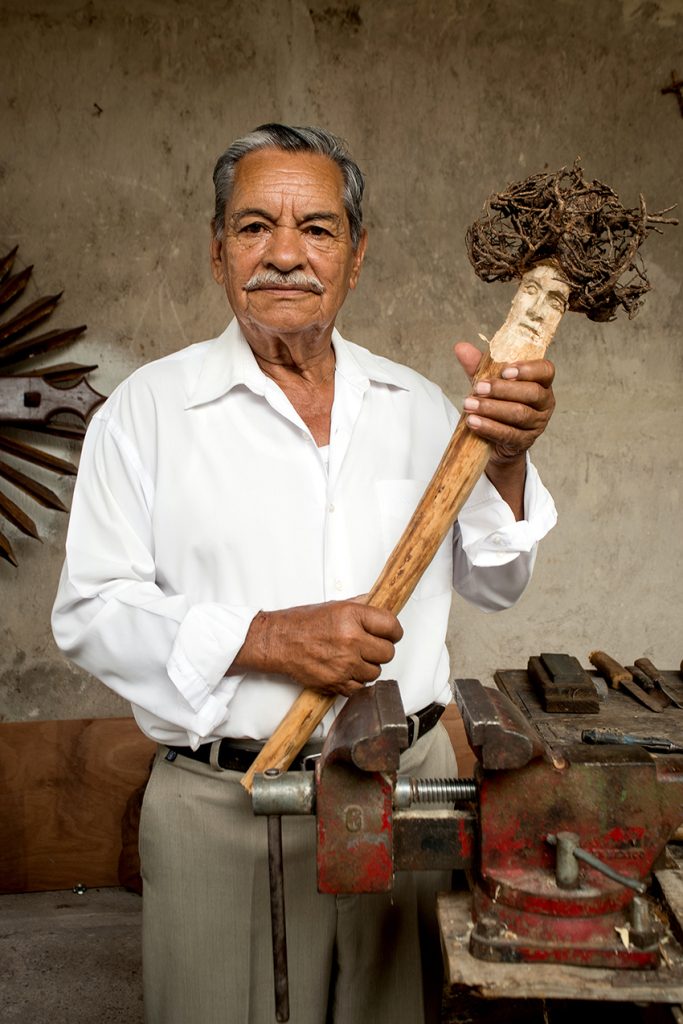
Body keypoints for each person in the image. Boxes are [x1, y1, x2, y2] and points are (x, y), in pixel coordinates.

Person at [52, 124, 558, 1024]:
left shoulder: (419, 406)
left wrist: (508, 460)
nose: (285, 254)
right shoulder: (146, 414)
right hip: (222, 809)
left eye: (317, 229)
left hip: (408, 791)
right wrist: (268, 638)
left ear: (355, 258)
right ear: (217, 253)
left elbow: (496, 582)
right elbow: (90, 611)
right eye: (254, 227)